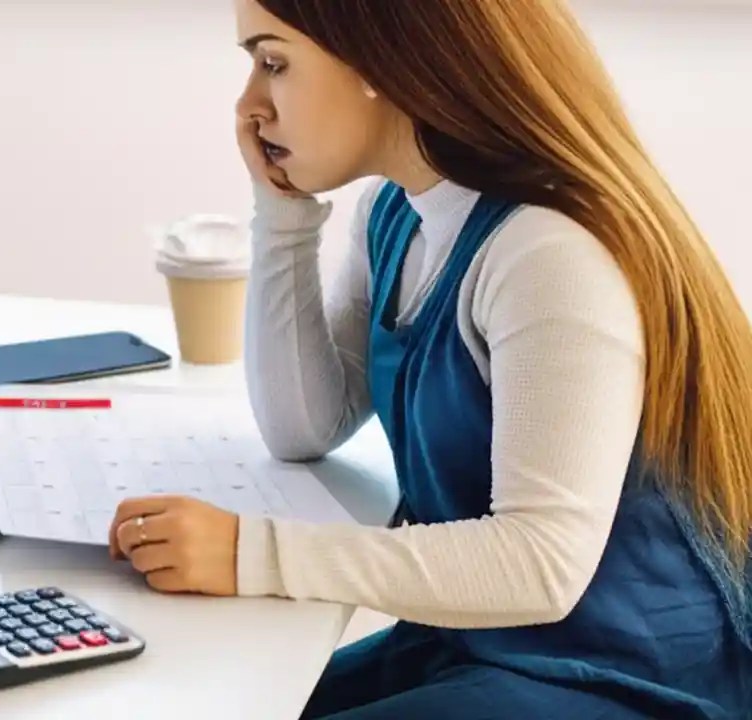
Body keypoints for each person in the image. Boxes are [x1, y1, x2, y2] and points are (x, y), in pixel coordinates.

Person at [106, 1, 752, 718]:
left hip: (619, 678)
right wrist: (283, 215)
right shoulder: (398, 213)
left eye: (274, 62)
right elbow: (303, 426)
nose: (249, 104)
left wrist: (248, 553)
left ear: (380, 59)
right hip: (489, 646)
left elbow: (543, 563)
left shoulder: (546, 254)